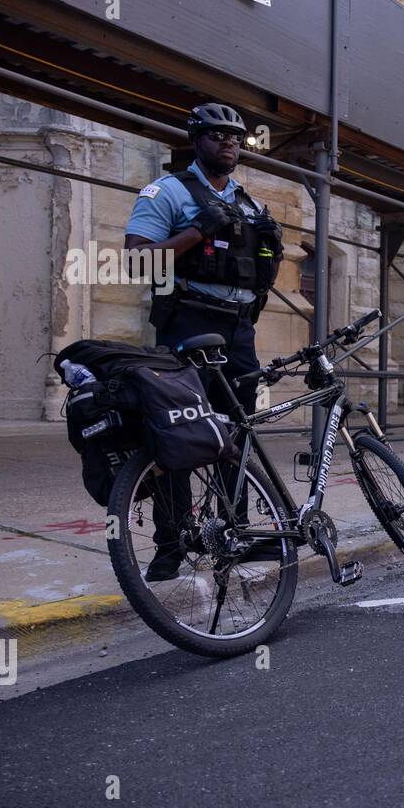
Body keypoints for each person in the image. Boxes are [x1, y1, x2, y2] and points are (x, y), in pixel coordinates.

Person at [124, 102, 284, 581]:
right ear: (196, 140)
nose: (229, 142)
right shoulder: (167, 192)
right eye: (216, 134)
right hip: (188, 321)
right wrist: (197, 231)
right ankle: (171, 543)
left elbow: (259, 268)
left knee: (235, 431)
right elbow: (138, 262)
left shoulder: (250, 202)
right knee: (181, 429)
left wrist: (268, 252)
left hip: (238, 329)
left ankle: (236, 532)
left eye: (236, 136)